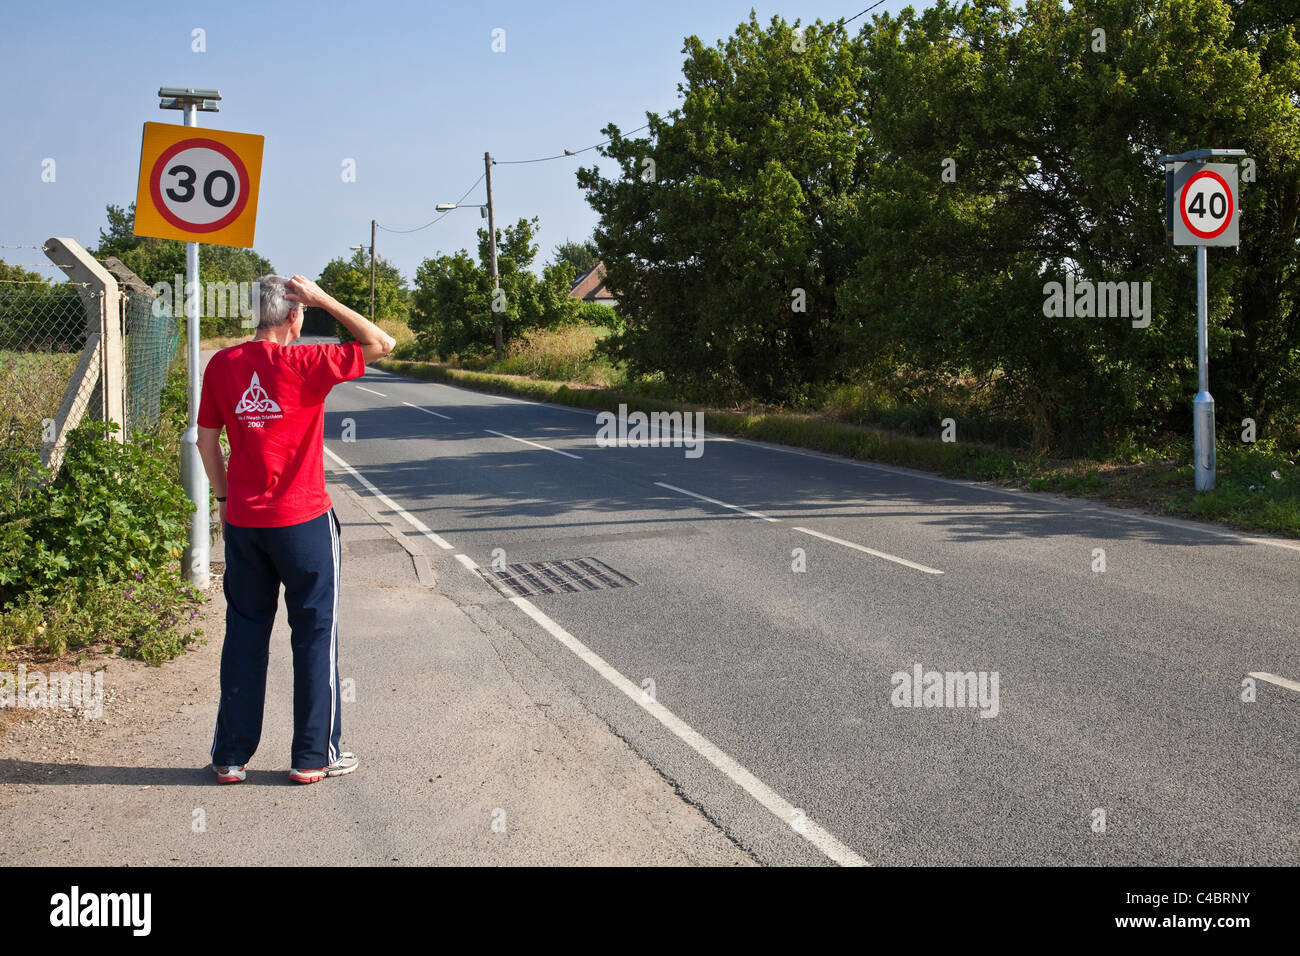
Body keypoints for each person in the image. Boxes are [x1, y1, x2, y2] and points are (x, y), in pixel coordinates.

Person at [196, 274, 395, 784]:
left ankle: (231, 756)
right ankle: (313, 756)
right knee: (313, 633)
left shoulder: (222, 364)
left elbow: (206, 440)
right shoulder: (306, 362)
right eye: (302, 311)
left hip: (244, 522)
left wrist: (223, 499)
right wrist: (324, 299)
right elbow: (382, 343)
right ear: (294, 316)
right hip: (304, 520)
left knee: (244, 633)